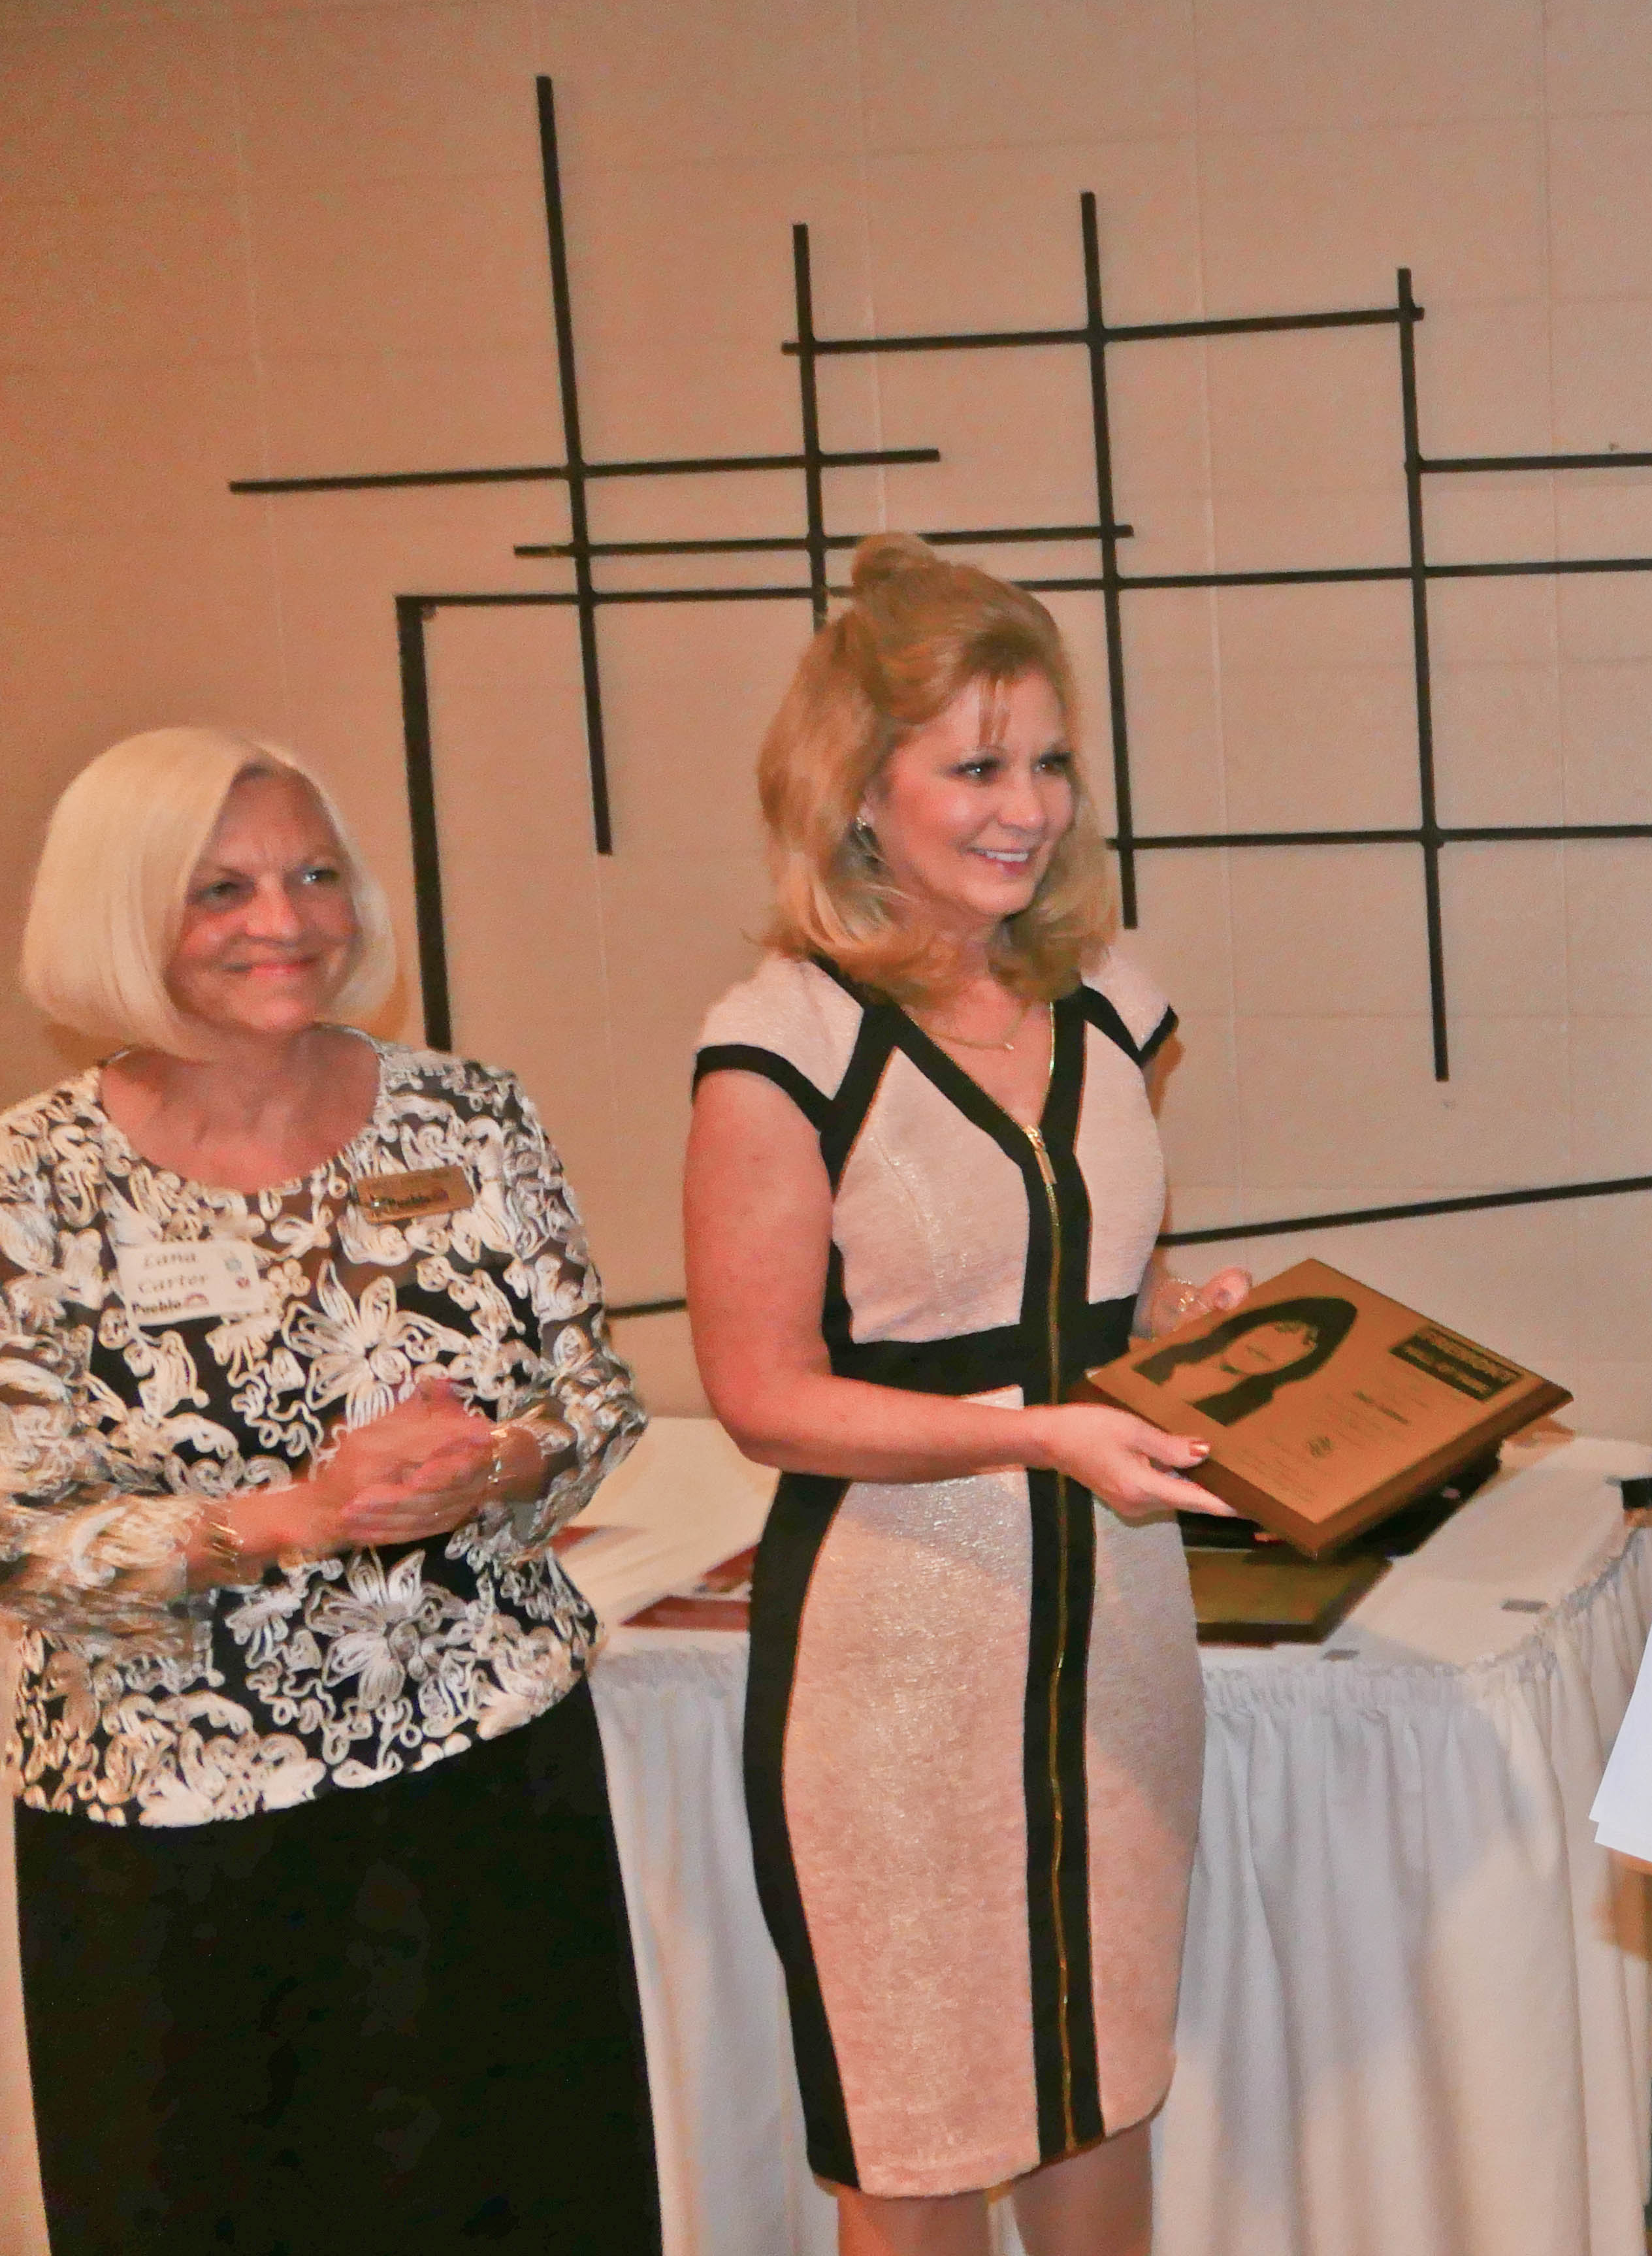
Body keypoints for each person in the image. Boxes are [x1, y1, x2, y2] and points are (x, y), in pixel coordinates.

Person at [1, 728, 657, 2248]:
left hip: (485, 1791)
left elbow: (595, 1402)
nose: (284, 921)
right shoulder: (35, 1185)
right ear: (120, 915)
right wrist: (287, 1520)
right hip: (174, 1837)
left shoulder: (467, 1116)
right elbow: (20, 1538)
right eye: (216, 889)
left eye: (310, 875)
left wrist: (491, 1463)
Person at [681, 534, 1251, 2256]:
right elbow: (764, 1396)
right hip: (897, 1650)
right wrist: (1037, 1430)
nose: (1030, 806)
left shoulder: (1114, 1004)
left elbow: (1066, 1274)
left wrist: (1179, 1319)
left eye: (1052, 759)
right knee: (921, 2136)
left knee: (1098, 2084)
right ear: (858, 791)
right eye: (978, 765)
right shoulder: (780, 1041)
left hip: (1116, 1623)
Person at [1126, 1289, 1354, 1425]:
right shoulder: (1151, 1358)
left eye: (1308, 1345)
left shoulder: (1246, 1412)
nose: (1282, 1348)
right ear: (1254, 1323)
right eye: (1284, 1329)